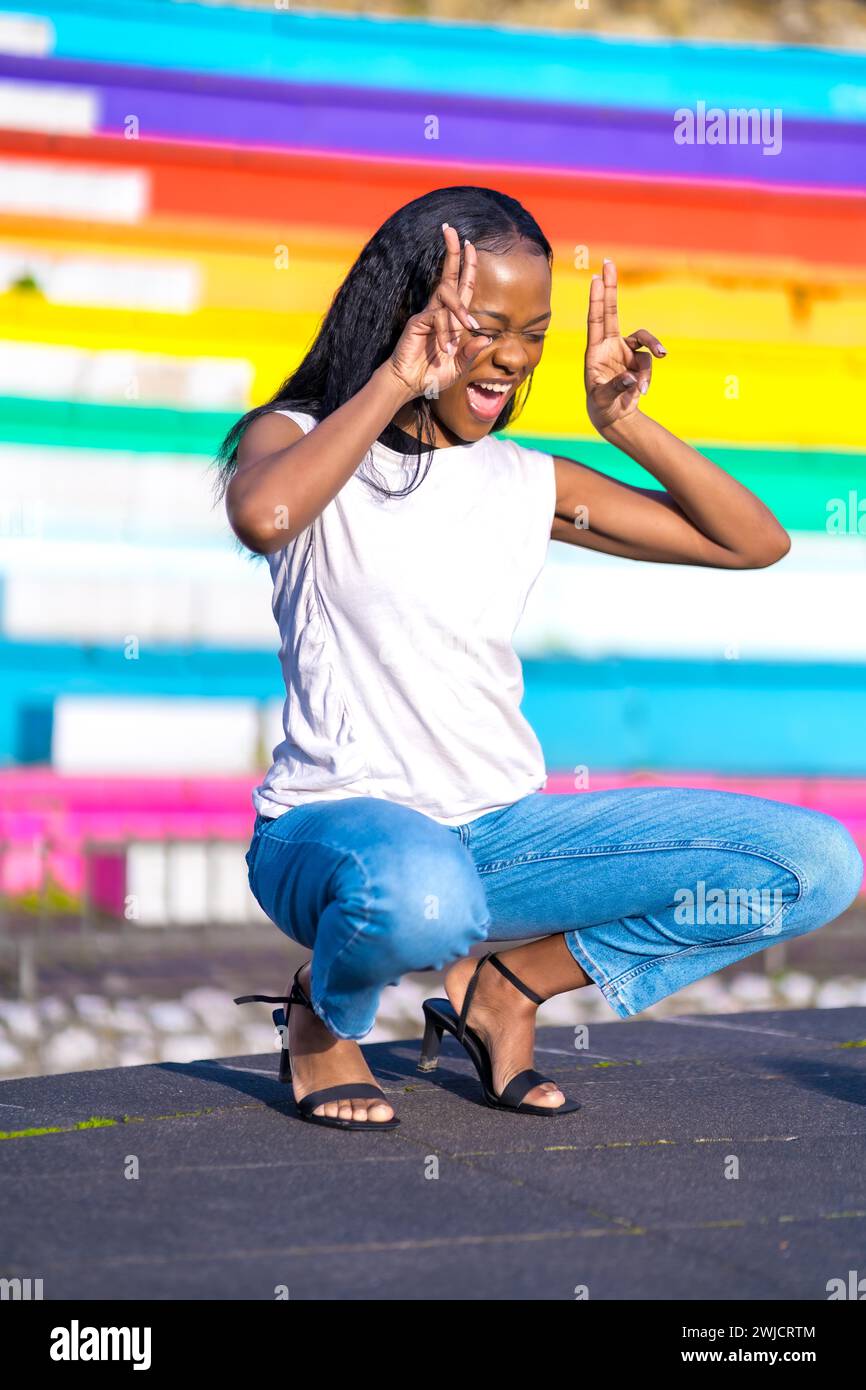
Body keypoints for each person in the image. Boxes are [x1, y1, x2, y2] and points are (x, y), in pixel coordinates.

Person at [215, 185, 862, 1130]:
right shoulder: (301, 440)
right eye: (486, 325)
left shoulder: (525, 482)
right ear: (413, 311)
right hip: (333, 835)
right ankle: (322, 1018)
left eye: (535, 334)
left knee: (814, 863)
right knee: (422, 893)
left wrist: (624, 424)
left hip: (500, 842)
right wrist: (396, 381)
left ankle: (509, 989)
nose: (513, 358)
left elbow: (752, 542)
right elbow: (262, 517)